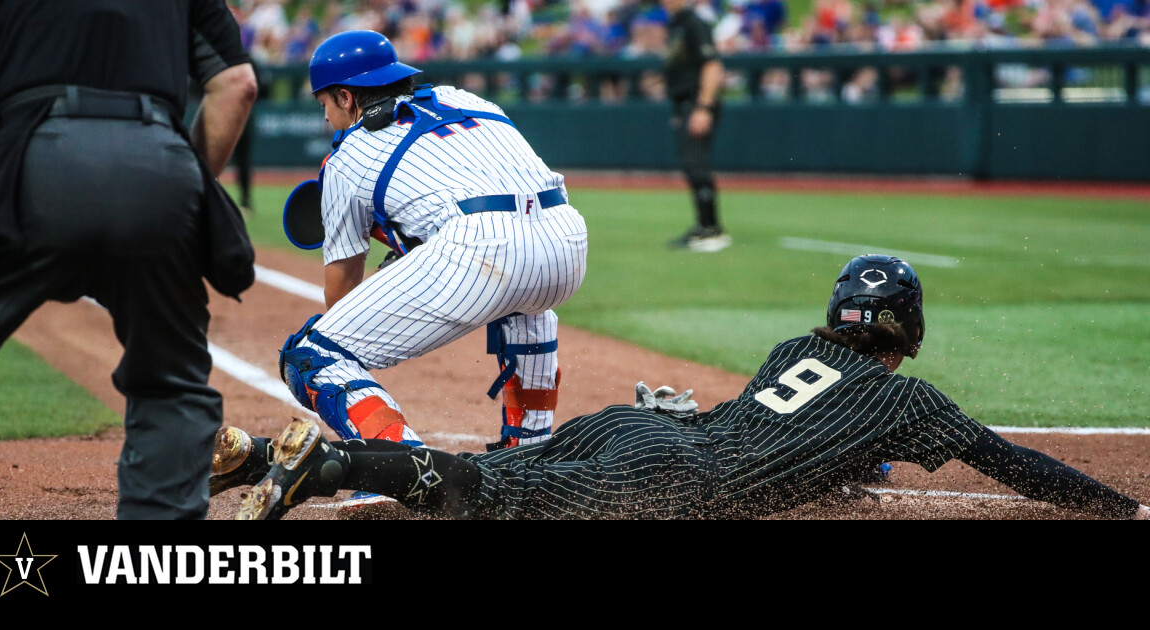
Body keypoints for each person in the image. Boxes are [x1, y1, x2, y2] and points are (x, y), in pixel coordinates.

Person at [221, 254, 1148, 521]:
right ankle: (330, 468)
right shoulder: (912, 404)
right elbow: (1011, 463)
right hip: (678, 483)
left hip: (641, 429)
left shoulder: (794, 349)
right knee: (493, 500)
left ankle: (264, 455)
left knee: (502, 473)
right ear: (910, 330)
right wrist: (1117, 509)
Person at [0, 1, 257, 519]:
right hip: (159, 168)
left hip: (30, 162)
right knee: (170, 384)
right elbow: (237, 85)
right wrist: (176, 192)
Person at [260, 28, 588, 482]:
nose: (326, 119)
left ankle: (400, 472)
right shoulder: (469, 100)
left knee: (312, 354)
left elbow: (343, 293)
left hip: (482, 245)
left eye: (325, 107)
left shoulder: (346, 155)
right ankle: (529, 457)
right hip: (568, 236)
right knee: (526, 307)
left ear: (346, 97)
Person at [663, 0, 729, 252]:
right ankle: (704, 225)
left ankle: (711, 228)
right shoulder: (677, 25)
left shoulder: (694, 23)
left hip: (696, 102)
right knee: (691, 165)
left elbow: (712, 65)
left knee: (697, 164)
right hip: (684, 104)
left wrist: (703, 107)